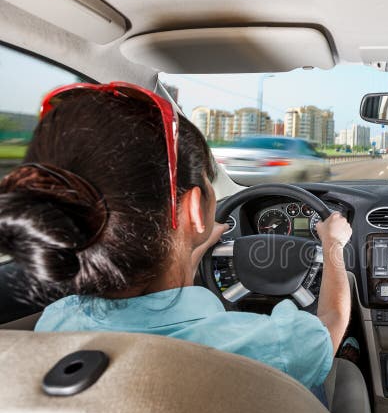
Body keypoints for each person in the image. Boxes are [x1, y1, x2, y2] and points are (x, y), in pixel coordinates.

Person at [0, 83, 352, 394]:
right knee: (346, 378)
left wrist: (194, 246)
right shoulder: (265, 347)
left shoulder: (56, 321)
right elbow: (332, 321)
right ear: (195, 210)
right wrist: (332, 246)